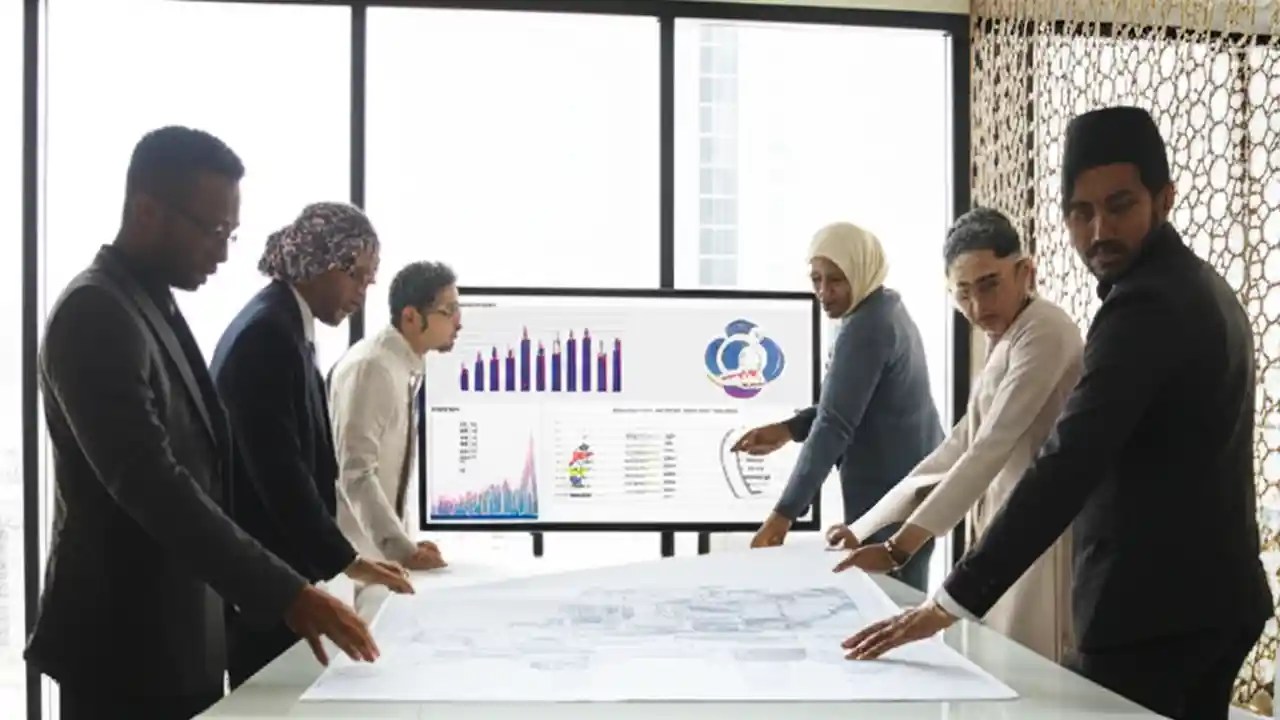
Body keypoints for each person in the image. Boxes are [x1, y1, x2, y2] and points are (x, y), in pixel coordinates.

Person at [841, 106, 1273, 720]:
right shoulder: (1192, 284)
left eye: (1119, 205)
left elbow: (1066, 461)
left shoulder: (1140, 306)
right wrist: (871, 532)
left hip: (1153, 615)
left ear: (1165, 198)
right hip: (1201, 602)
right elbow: (964, 443)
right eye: (1080, 212)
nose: (1098, 230)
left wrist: (947, 598)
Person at [28, 127, 379, 720]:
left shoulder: (148, 301)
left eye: (231, 232)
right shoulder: (96, 311)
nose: (223, 250)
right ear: (145, 211)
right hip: (124, 647)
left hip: (174, 636)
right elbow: (154, 485)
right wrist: (290, 593)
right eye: (213, 230)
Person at [828, 207, 1082, 662]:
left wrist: (898, 548)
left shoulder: (1044, 329)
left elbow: (990, 447)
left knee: (1034, 676)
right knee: (1002, 668)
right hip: (999, 533)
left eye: (989, 284)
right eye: (963, 293)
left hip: (1041, 537)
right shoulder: (1005, 336)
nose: (978, 307)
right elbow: (958, 446)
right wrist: (864, 530)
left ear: (1026, 271)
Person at [211, 201, 415, 688]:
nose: (361, 297)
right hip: (266, 589)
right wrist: (347, 560)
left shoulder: (284, 322)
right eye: (359, 278)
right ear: (325, 263)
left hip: (278, 577)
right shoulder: (267, 335)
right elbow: (279, 473)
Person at [738, 221, 944, 592]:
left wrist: (782, 515)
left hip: (893, 499)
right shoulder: (883, 306)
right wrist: (789, 430)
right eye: (816, 278)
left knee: (891, 615)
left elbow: (835, 423)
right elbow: (850, 402)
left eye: (835, 280)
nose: (823, 291)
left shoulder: (867, 326)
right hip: (909, 490)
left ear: (860, 271)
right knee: (896, 613)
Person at [329, 261, 460, 603]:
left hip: (378, 568)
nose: (458, 322)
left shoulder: (400, 366)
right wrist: (402, 549)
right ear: (412, 317)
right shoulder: (372, 369)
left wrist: (407, 543)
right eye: (449, 311)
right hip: (355, 574)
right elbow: (355, 471)